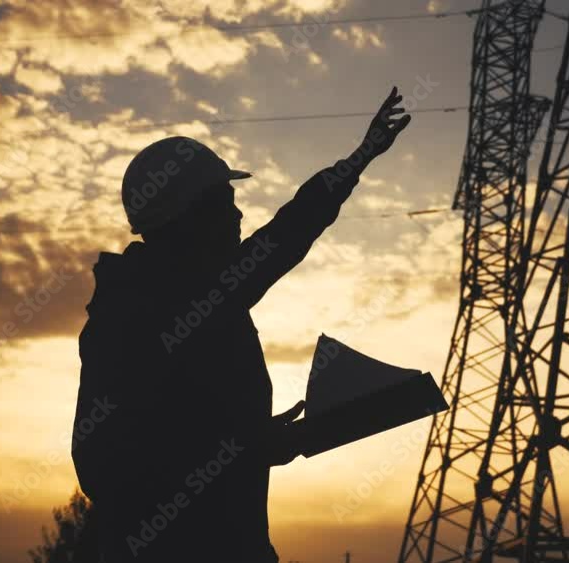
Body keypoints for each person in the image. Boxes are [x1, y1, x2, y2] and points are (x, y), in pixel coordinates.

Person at [71, 87, 411, 562]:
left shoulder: (195, 294)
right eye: (225, 202)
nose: (238, 214)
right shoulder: (149, 312)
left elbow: (289, 230)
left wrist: (360, 157)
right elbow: (104, 467)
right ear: (191, 217)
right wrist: (244, 446)